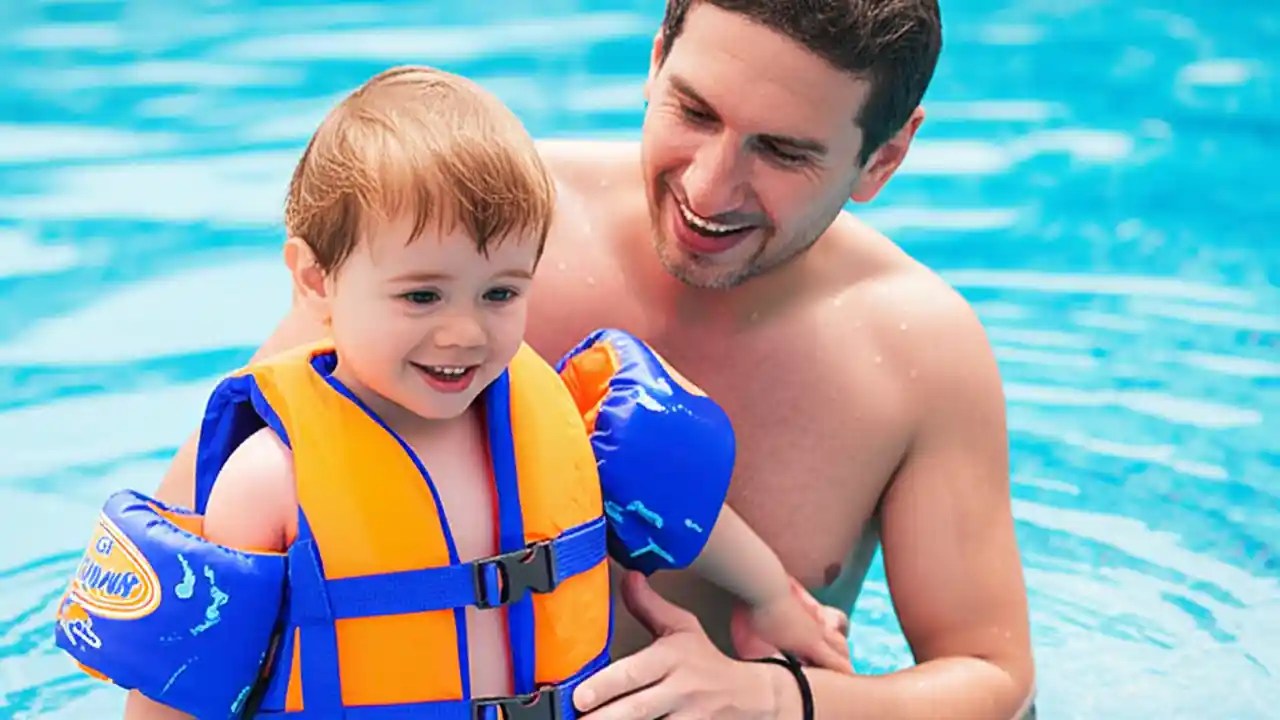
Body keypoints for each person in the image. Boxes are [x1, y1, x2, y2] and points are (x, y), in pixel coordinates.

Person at [155, 0, 1038, 717]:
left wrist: (775, 700)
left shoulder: (919, 355)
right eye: (694, 111)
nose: (708, 188)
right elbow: (185, 569)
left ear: (884, 158)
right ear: (655, 60)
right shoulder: (471, 234)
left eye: (781, 151)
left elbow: (998, 685)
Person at [52, 65, 853, 720]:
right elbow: (179, 687)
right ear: (317, 280)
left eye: (500, 294)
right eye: (422, 296)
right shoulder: (272, 480)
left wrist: (773, 598)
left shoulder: (566, 425)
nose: (465, 332)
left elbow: (684, 514)